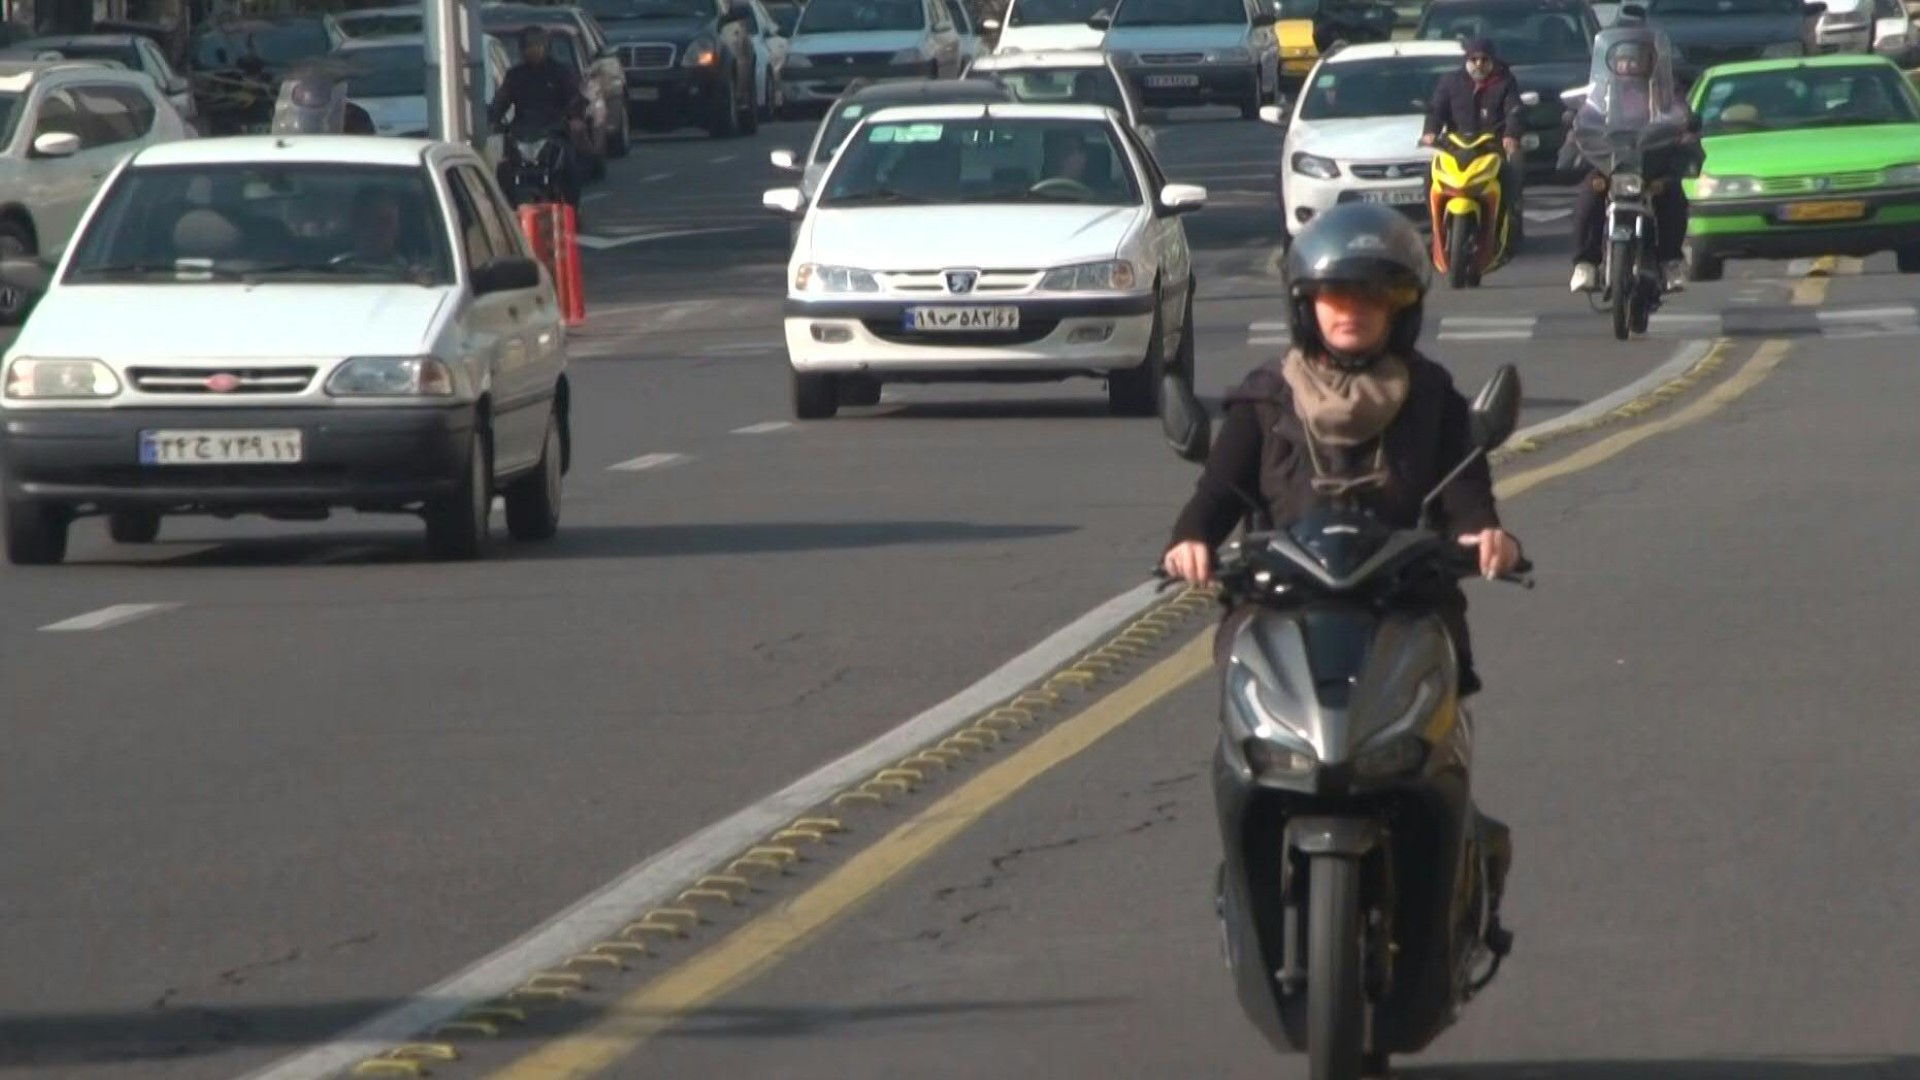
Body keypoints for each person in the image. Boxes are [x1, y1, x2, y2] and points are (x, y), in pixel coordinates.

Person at [1160, 203, 1518, 1077]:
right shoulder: (1262, 399)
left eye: (1370, 295)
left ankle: (1451, 884)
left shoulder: (1432, 397)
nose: (1349, 310)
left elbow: (1467, 494)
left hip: (1404, 610)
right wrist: (1190, 542)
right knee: (1237, 751)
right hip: (1280, 613)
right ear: (1304, 306)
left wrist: (1487, 538)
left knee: (1441, 754)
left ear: (1401, 307)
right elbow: (1215, 494)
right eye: (1332, 296)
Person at [1564, 30, 1701, 293]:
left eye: (1635, 59)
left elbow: (1681, 114)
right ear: (1612, 62)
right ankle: (1585, 264)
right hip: (1611, 162)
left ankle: (1670, 261)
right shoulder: (1601, 92)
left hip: (1652, 162)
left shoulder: (1665, 90)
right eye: (1622, 59)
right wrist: (1576, 128)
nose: (1628, 65)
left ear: (1649, 62)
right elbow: (1586, 116)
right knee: (1589, 195)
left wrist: (1684, 130)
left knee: (1671, 194)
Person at [1422, 36, 1526, 229]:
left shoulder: (1505, 82)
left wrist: (1510, 135)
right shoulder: (1450, 81)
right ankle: (1437, 224)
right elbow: (1436, 110)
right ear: (1466, 60)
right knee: (1430, 174)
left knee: (1511, 170)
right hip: (1456, 147)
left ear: (1492, 61)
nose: (1479, 64)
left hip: (1492, 147)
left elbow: (1515, 110)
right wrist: (1430, 132)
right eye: (1474, 59)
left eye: (1484, 60)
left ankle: (1508, 219)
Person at [488, 26, 588, 206]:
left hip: (554, 132)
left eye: (537, 45)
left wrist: (575, 118)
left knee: (572, 166)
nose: (533, 50)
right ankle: (507, 212)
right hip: (522, 133)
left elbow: (575, 98)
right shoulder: (515, 75)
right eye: (528, 46)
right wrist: (493, 119)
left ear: (546, 47)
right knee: (503, 171)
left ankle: (573, 210)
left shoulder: (560, 72)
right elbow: (502, 99)